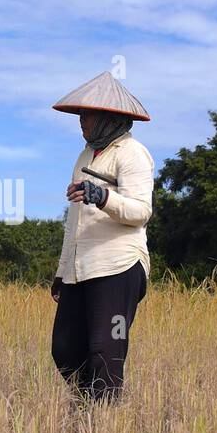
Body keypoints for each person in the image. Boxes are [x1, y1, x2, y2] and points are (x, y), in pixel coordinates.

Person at [49, 72, 154, 403]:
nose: (82, 121)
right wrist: (61, 272)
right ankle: (87, 407)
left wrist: (103, 197)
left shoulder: (133, 153)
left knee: (106, 351)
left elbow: (141, 211)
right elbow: (74, 221)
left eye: (88, 114)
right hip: (80, 269)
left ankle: (103, 427)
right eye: (80, 115)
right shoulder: (84, 156)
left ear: (110, 116)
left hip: (118, 266)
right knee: (64, 348)